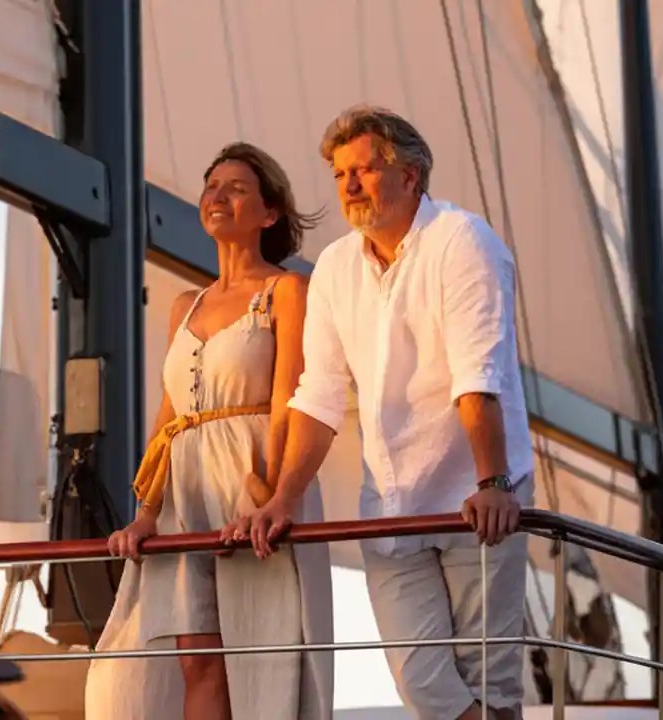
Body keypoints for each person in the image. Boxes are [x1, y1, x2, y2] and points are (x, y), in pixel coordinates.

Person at [225, 105, 535, 719]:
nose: (349, 185)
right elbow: (318, 395)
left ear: (411, 177)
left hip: (474, 499)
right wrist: (285, 498)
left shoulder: (462, 241)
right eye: (341, 174)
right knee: (420, 678)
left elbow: (478, 374)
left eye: (364, 170)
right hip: (390, 508)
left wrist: (494, 483)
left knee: (488, 683)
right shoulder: (337, 266)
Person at [83, 142, 334, 720]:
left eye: (237, 187)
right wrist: (146, 511)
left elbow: (289, 400)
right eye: (211, 185)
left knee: (258, 652)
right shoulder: (184, 306)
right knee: (197, 659)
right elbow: (169, 420)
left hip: (249, 481)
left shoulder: (286, 291)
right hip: (185, 493)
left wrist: (269, 498)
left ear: (270, 213)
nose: (217, 195)